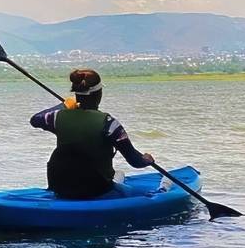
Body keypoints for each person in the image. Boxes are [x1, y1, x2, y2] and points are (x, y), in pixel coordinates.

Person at [30, 69, 154, 199]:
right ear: (99, 94)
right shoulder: (109, 123)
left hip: (61, 188)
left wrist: (64, 105)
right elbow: (134, 161)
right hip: (98, 190)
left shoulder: (56, 118)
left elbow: (35, 120)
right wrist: (147, 160)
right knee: (132, 190)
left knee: (119, 174)